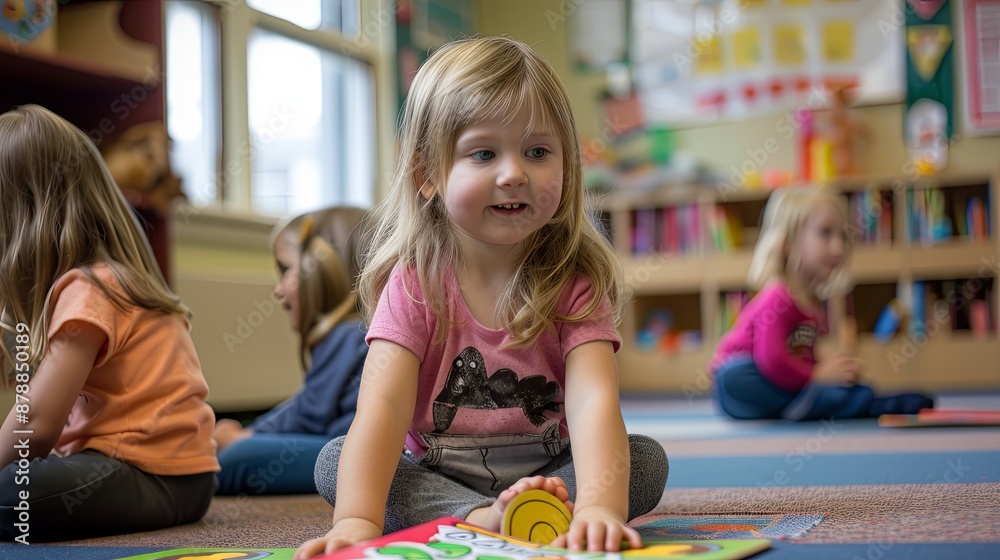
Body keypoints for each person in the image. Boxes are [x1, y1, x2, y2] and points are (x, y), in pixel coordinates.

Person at [295, 37, 669, 559]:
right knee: (336, 462)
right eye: (484, 153)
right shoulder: (414, 285)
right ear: (428, 176)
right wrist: (356, 523)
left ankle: (542, 514)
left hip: (552, 475)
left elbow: (593, 402)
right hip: (438, 473)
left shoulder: (574, 279)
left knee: (645, 460)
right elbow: (382, 406)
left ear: (566, 168)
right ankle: (485, 519)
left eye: (537, 152)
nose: (514, 173)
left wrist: (598, 511)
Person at [0, 105, 219, 542]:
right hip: (181, 478)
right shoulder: (104, 279)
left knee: (12, 492)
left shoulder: (90, 287)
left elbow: (37, 424)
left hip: (148, 474)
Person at [709, 187, 935, 421]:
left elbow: (798, 356)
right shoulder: (776, 296)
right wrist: (817, 374)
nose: (838, 247)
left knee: (835, 388)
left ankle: (812, 404)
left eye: (842, 237)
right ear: (788, 241)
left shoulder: (812, 306)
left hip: (780, 390)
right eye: (825, 233)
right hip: (743, 387)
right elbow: (771, 359)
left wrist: (832, 369)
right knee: (733, 374)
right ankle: (833, 404)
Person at [213, 207, 370, 495]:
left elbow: (308, 413)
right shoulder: (355, 333)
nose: (278, 289)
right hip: (345, 446)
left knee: (234, 460)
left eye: (285, 271)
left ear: (323, 268)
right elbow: (305, 405)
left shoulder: (350, 333)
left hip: (356, 455)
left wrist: (246, 436)